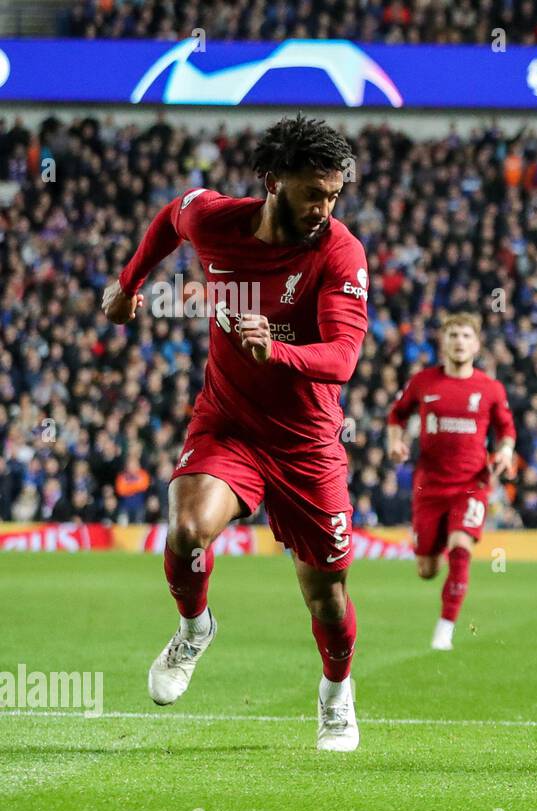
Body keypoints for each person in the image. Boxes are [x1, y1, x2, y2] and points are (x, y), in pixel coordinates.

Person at [101, 114, 368, 751]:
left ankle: (336, 695)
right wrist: (129, 284)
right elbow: (172, 216)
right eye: (313, 193)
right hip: (229, 423)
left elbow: (343, 357)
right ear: (274, 181)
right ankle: (195, 629)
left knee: (325, 595)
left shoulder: (338, 251)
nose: (324, 208)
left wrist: (277, 351)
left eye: (334, 195)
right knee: (187, 529)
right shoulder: (216, 221)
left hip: (306, 442)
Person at [386, 313, 516, 651]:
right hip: (428, 487)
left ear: (476, 343)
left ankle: (445, 629)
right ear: (443, 342)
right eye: (453, 335)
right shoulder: (423, 382)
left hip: (472, 484)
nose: (459, 341)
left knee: (460, 549)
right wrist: (395, 441)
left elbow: (506, 430)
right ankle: (439, 542)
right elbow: (397, 414)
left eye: (465, 335)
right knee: (426, 570)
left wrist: (504, 452)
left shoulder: (490, 388)